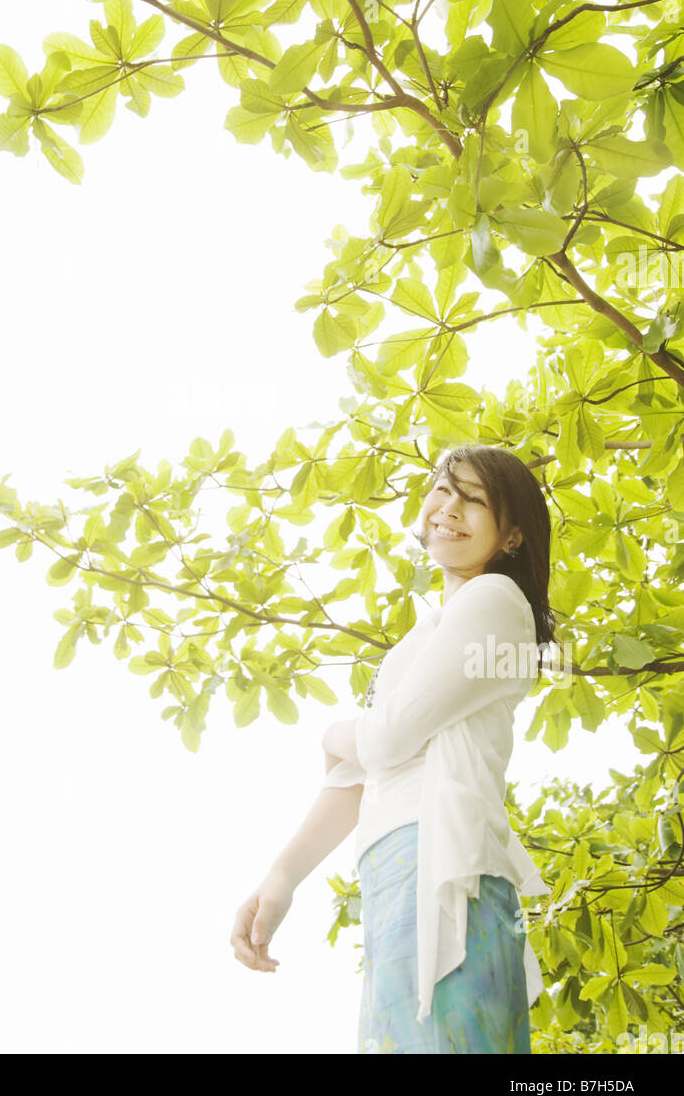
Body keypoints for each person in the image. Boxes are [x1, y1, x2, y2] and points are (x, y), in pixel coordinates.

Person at [230, 444, 557, 1053]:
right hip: (394, 863)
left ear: (512, 535)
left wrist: (333, 733)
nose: (449, 507)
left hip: (442, 861)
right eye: (443, 488)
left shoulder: (493, 602)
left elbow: (382, 740)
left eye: (475, 499)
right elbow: (359, 774)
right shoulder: (432, 627)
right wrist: (282, 877)